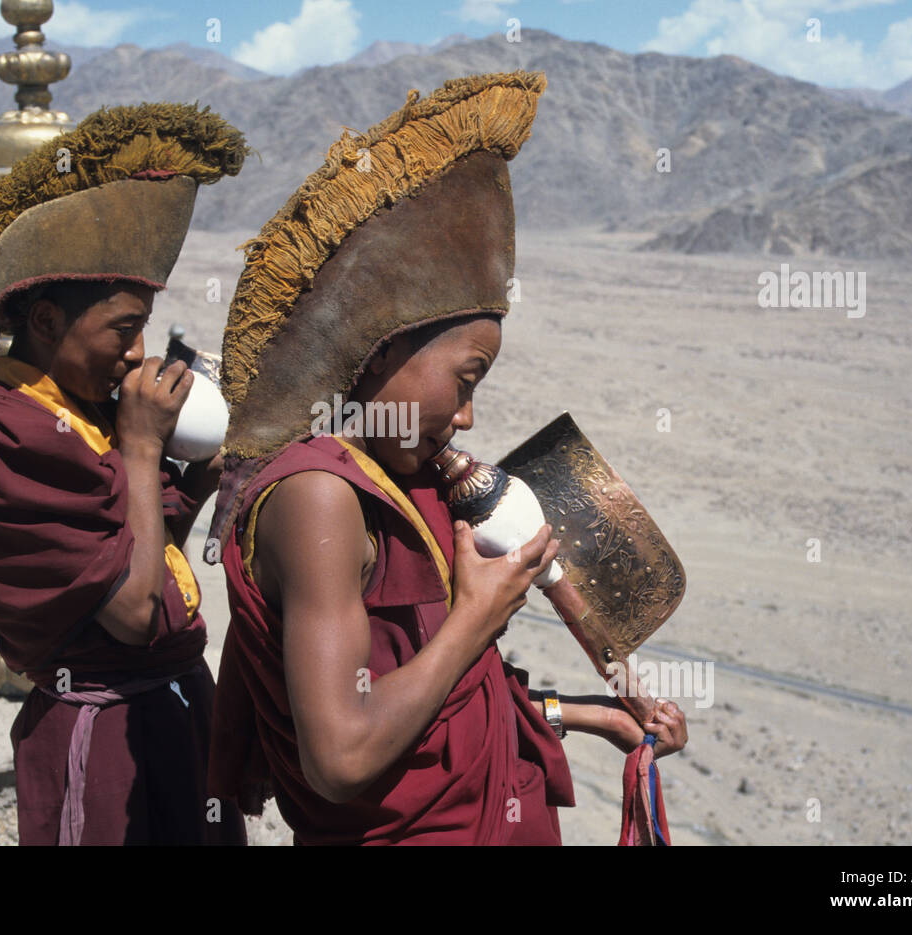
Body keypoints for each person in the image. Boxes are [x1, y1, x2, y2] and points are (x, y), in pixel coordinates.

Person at [205, 73, 686, 845]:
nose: (468, 415)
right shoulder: (318, 499)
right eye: (466, 381)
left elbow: (448, 692)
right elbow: (342, 751)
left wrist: (595, 715)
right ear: (384, 344)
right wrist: (475, 618)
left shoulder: (413, 482)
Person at [0, 103, 248, 845]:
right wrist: (138, 450)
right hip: (102, 738)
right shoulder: (2, 435)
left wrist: (193, 480)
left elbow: (144, 548)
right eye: (123, 331)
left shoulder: (86, 403)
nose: (138, 356)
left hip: (174, 714)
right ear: (44, 323)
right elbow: (133, 614)